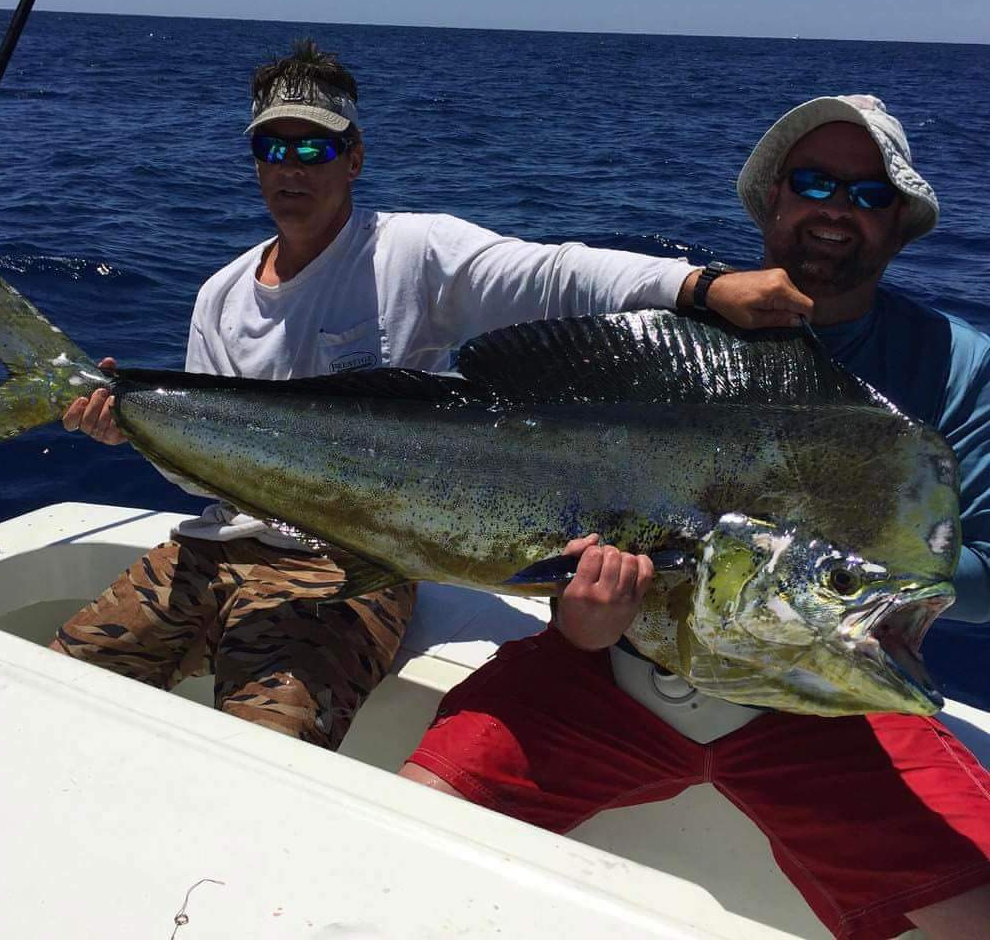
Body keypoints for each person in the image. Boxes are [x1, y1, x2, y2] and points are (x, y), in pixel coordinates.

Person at [52, 38, 811, 751]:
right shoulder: (221, 293)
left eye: (314, 146)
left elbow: (550, 274)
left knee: (265, 758)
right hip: (212, 546)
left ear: (354, 158)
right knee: (50, 685)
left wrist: (699, 287)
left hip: (349, 561)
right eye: (271, 147)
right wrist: (130, 430)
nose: (292, 166)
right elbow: (199, 475)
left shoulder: (411, 251)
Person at [400, 95, 990, 940]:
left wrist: (870, 582)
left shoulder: (959, 367)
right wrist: (581, 615)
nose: (835, 209)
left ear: (902, 221)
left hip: (831, 704)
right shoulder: (668, 335)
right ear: (773, 199)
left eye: (867, 194)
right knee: (404, 822)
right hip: (609, 669)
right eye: (815, 182)